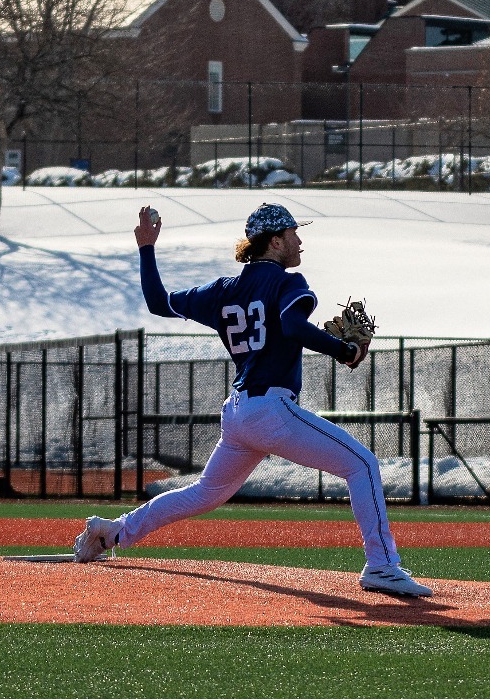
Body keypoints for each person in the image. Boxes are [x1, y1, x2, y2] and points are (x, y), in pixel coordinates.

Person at [73, 202, 431, 596]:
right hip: (270, 409)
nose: (299, 241)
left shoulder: (222, 290)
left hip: (239, 412)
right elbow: (292, 325)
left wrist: (146, 247)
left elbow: (159, 303)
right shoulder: (287, 283)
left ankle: (114, 531)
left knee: (204, 493)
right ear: (275, 241)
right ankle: (382, 566)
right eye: (293, 233)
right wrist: (345, 351)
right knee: (361, 465)